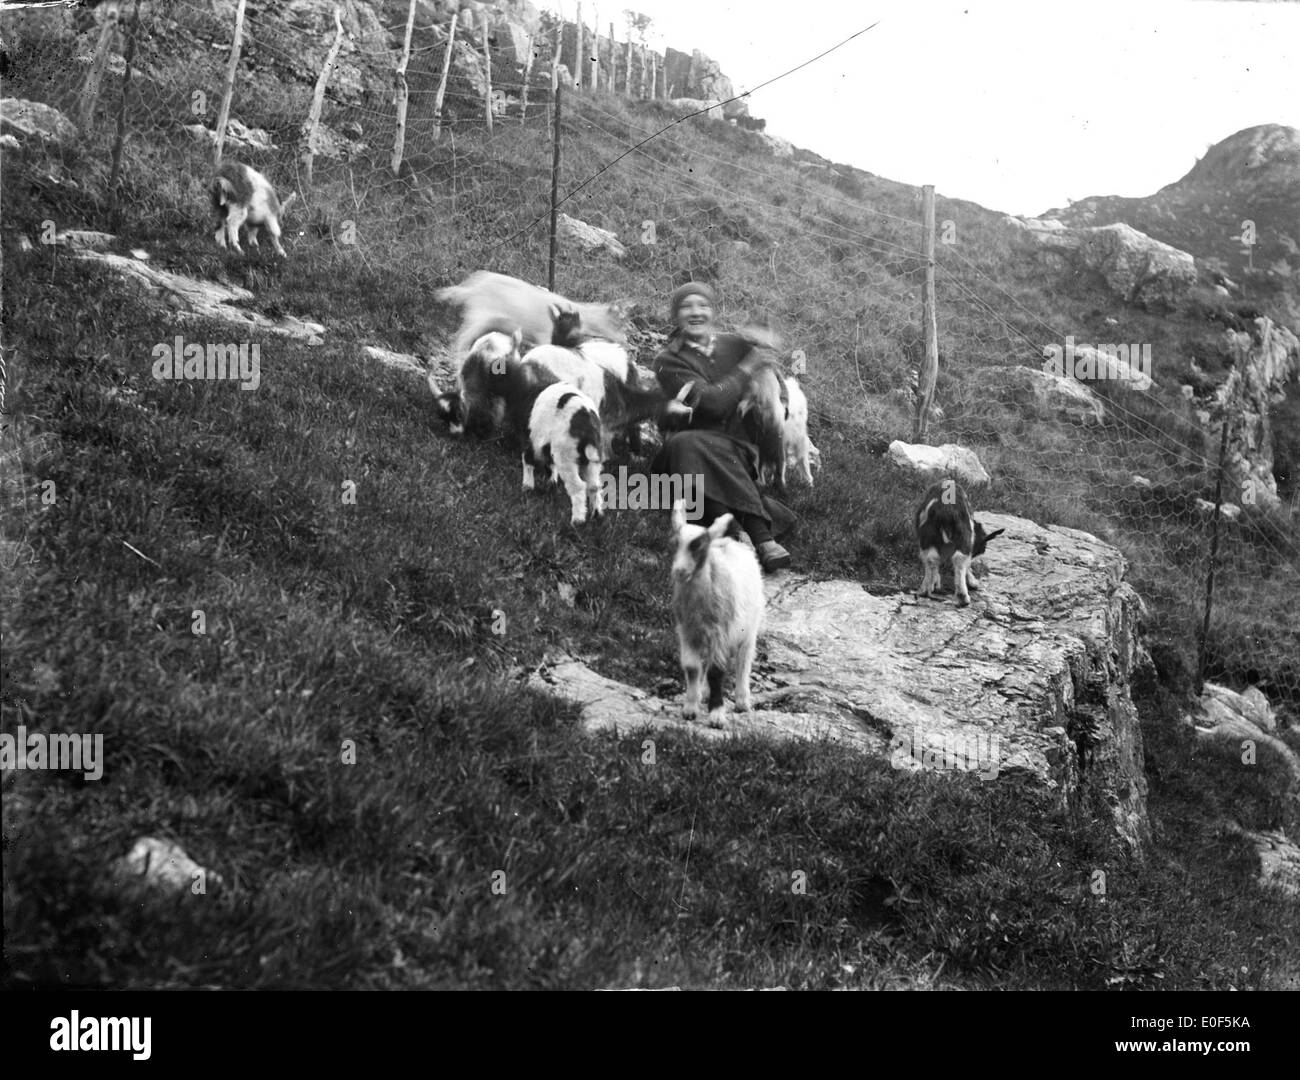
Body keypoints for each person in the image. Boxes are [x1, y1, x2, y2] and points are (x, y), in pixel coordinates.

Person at [651, 281, 795, 573]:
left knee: (701, 455)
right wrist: (747, 368)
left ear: (713, 312)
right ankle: (761, 537)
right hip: (683, 456)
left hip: (735, 451)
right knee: (687, 443)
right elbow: (712, 403)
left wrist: (775, 406)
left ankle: (738, 535)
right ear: (675, 315)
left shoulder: (735, 344)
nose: (696, 313)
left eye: (703, 306)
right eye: (686, 306)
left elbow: (773, 377)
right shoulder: (668, 360)